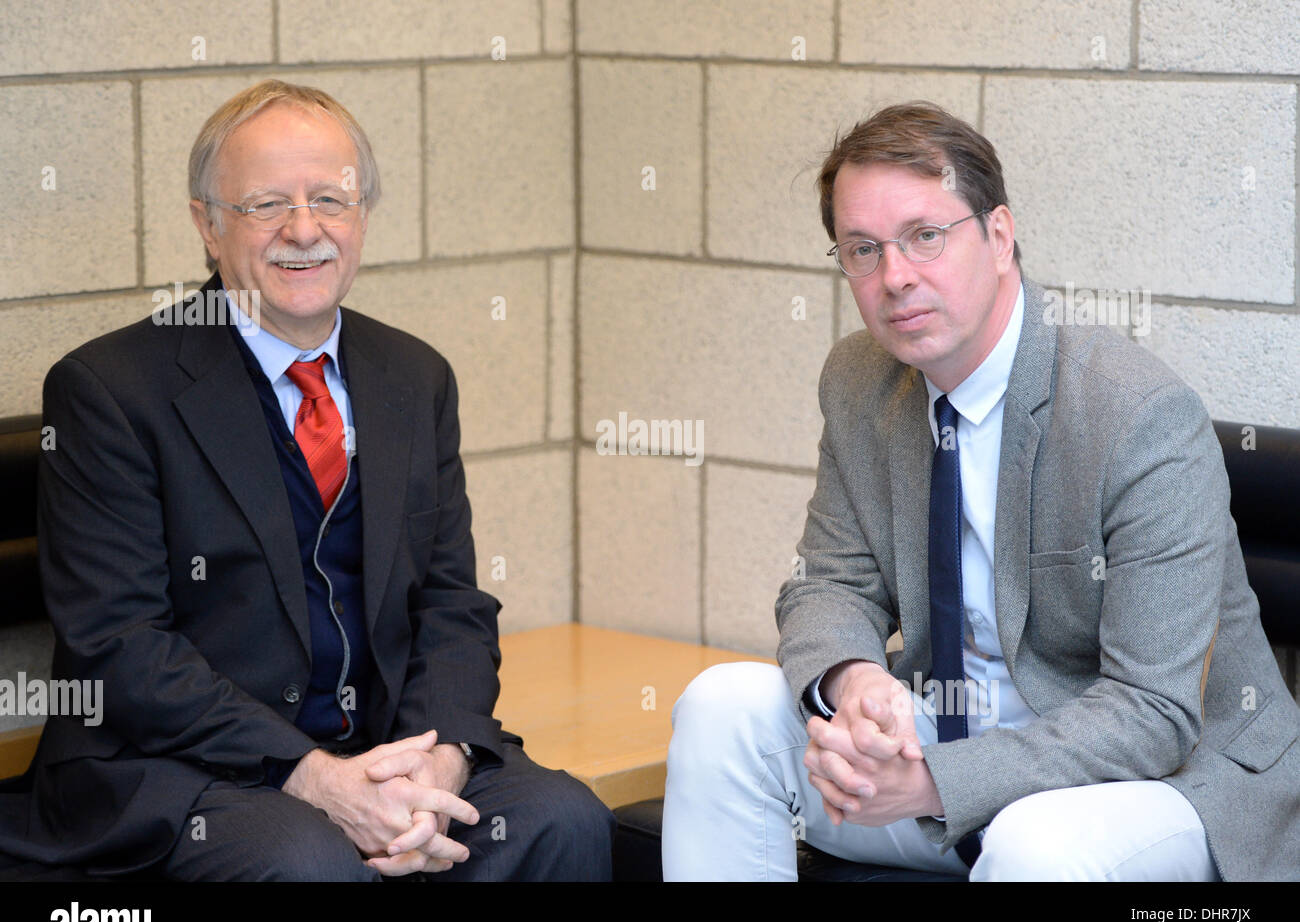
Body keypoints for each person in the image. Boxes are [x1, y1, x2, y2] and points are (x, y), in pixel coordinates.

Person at [662, 101, 1300, 881]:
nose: (895, 277)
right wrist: (855, 682)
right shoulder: (861, 381)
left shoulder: (1136, 413)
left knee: (1035, 847)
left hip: (1157, 784)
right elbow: (829, 584)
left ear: (999, 237)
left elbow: (1153, 713)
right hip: (949, 747)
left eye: (926, 236)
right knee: (722, 709)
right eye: (863, 250)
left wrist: (930, 783)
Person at [0, 79, 614, 881]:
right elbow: (122, 650)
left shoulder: (413, 376)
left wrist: (443, 762)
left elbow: (451, 602)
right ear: (206, 226)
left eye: (330, 198)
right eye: (265, 204)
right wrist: (317, 779)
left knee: (561, 820)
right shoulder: (109, 390)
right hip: (181, 770)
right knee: (308, 860)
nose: (304, 229)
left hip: (383, 746)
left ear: (362, 217)